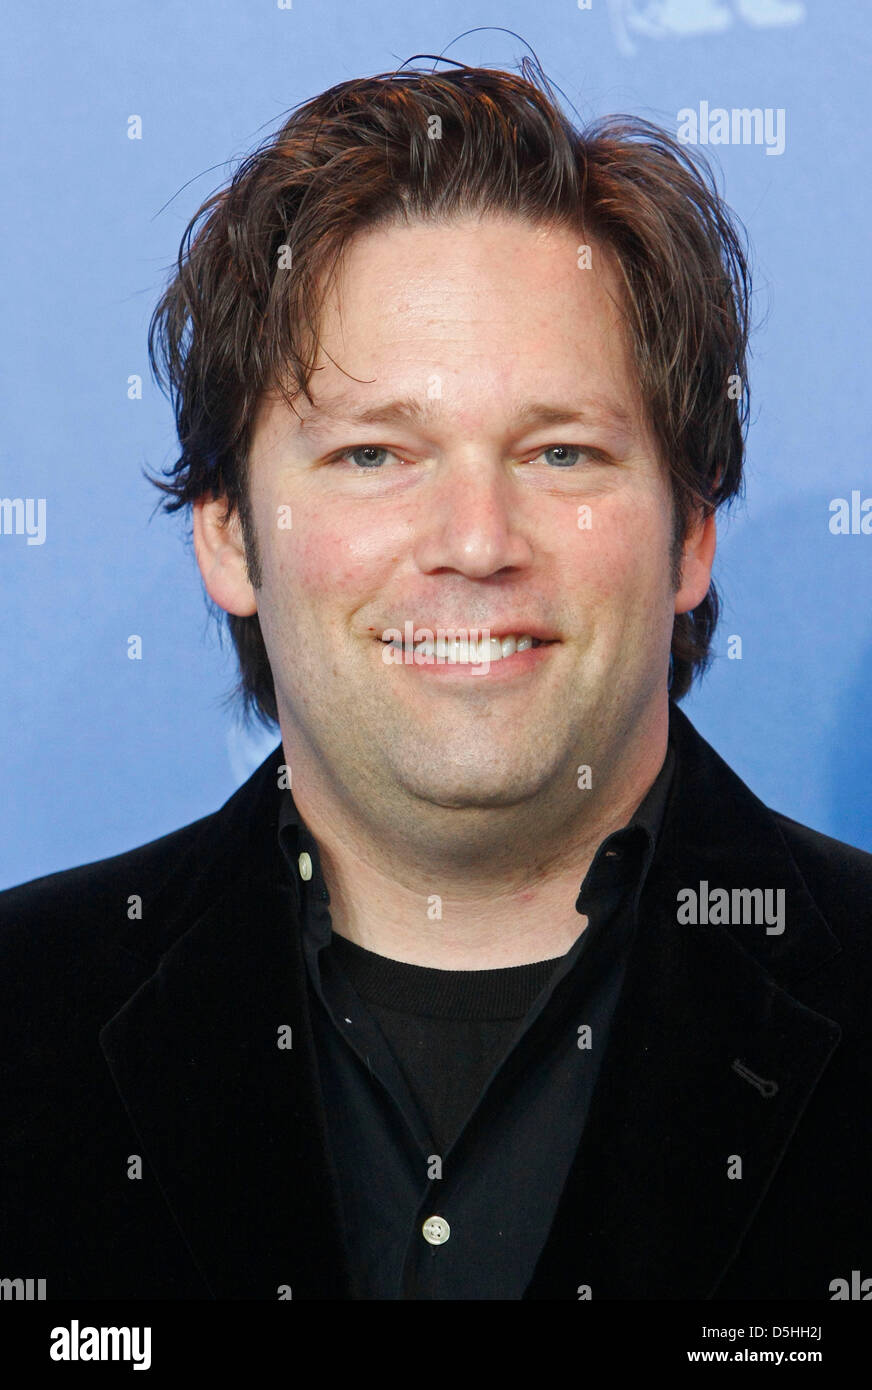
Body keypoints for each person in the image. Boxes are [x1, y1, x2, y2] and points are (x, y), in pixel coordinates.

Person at [1, 59, 870, 1302]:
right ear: (228, 536)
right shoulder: (23, 1017)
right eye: (372, 454)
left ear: (689, 533)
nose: (474, 539)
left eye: (561, 449)